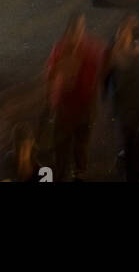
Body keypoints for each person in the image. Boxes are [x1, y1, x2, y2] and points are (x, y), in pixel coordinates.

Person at [45, 14, 105, 182]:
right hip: (65, 108)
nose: (78, 34)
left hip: (83, 108)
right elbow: (51, 74)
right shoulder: (61, 49)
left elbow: (99, 71)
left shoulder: (91, 49)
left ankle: (79, 173)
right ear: (69, 31)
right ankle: (63, 173)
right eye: (75, 30)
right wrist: (51, 100)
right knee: (61, 147)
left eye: (80, 29)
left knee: (80, 145)